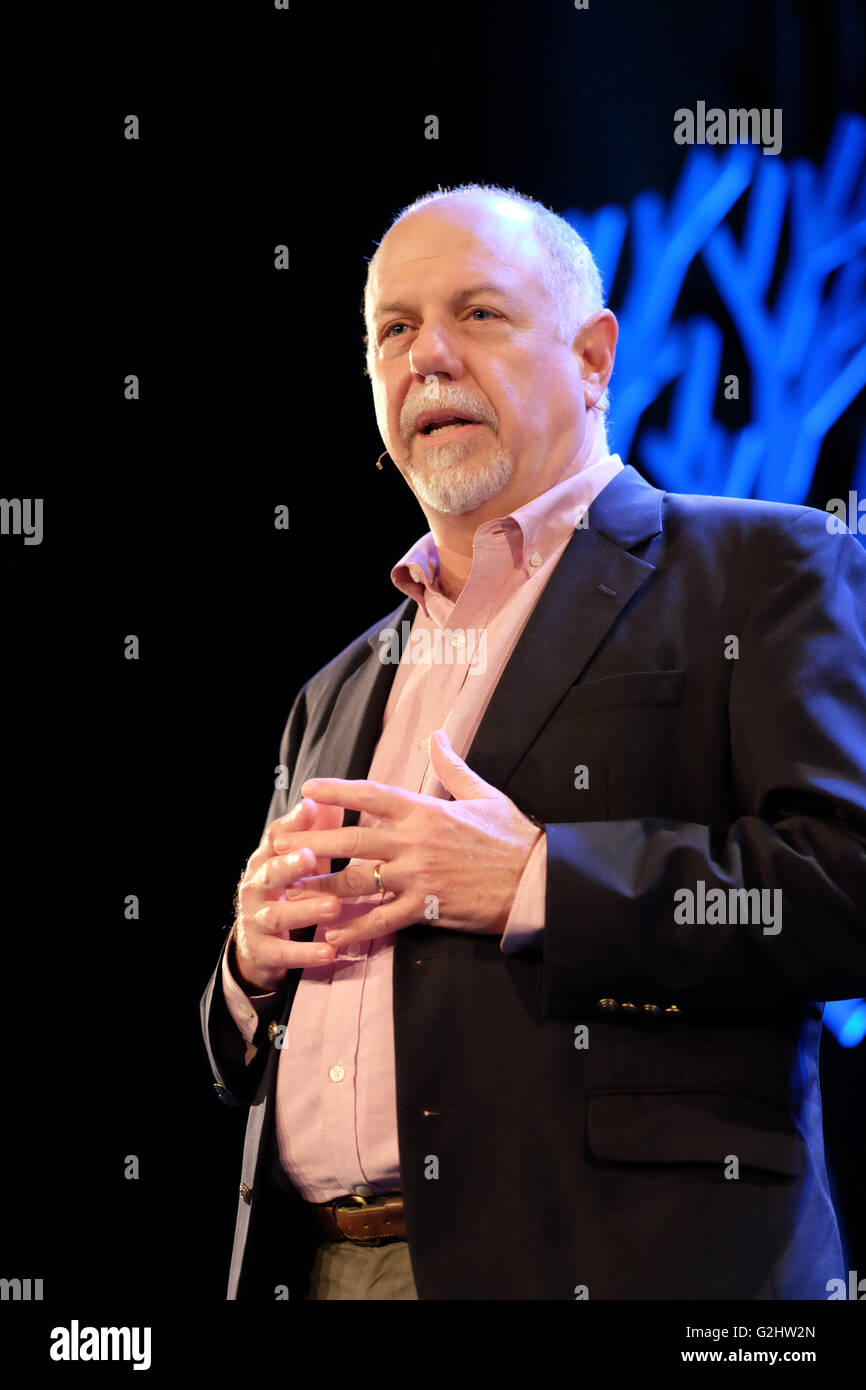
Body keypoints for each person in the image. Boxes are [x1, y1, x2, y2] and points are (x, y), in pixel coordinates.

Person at [200, 183, 866, 1301]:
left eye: (479, 314)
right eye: (393, 329)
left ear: (594, 356)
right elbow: (246, 1056)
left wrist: (537, 882)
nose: (428, 358)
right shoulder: (335, 685)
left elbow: (846, 894)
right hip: (320, 1266)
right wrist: (245, 968)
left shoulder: (764, 568)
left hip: (620, 1264)